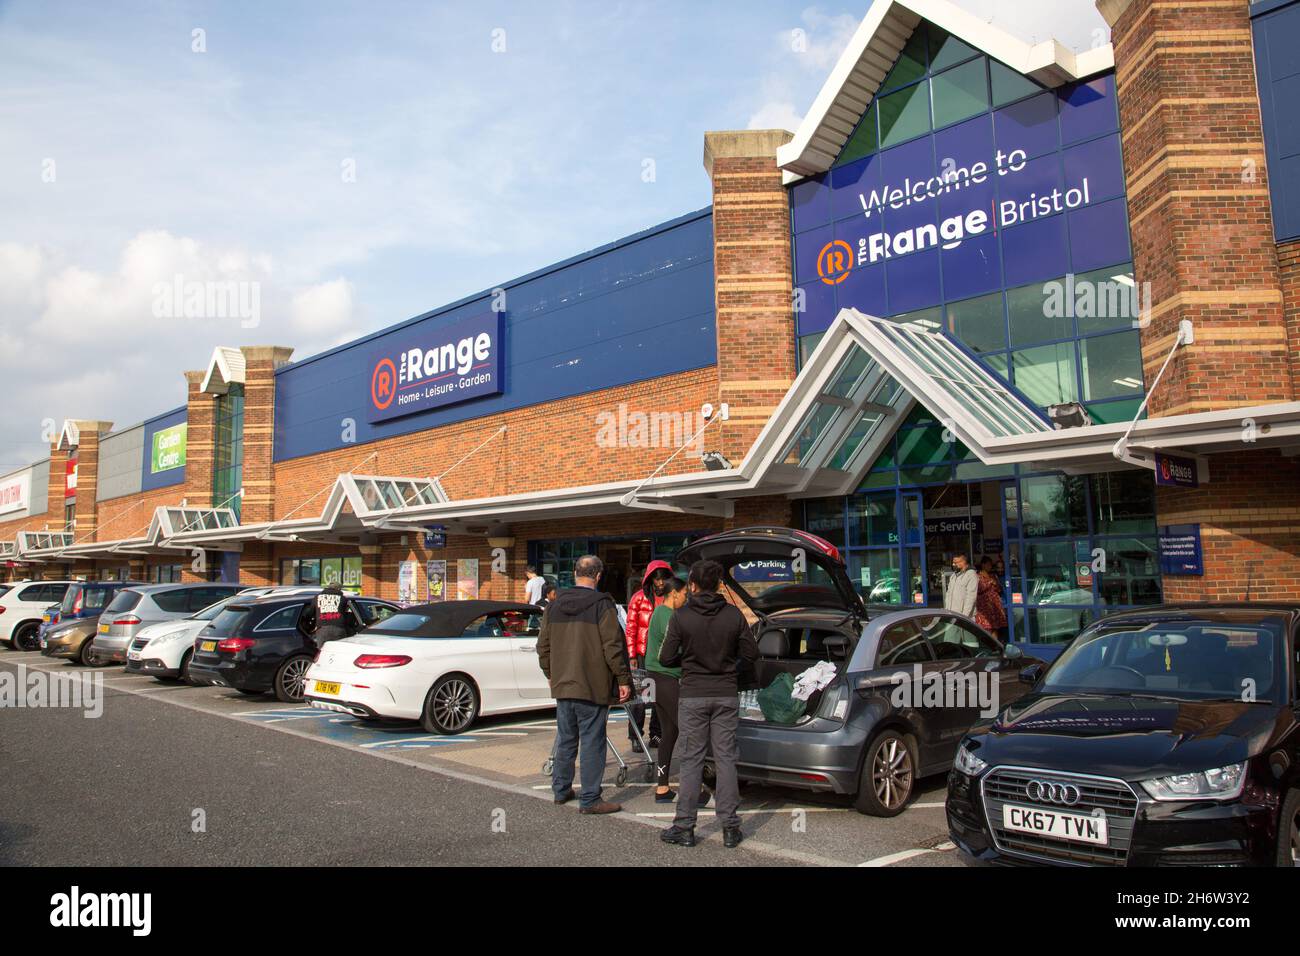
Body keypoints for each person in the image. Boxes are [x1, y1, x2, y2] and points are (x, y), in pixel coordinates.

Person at [657, 559, 758, 849]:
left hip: (693, 694)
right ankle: (730, 828)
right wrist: (730, 666)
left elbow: (665, 658)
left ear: (692, 585)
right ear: (718, 585)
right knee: (726, 758)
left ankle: (684, 827)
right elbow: (751, 652)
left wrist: (688, 661)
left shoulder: (682, 616)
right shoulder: (733, 615)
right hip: (725, 692)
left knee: (691, 760)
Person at [537, 554, 632, 815]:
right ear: (598, 576)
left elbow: (542, 646)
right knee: (592, 740)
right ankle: (590, 799)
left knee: (566, 738)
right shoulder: (603, 604)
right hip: (592, 684)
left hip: (564, 684)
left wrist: (550, 672)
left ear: (574, 573)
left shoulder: (554, 605)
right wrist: (624, 679)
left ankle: (561, 789)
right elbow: (612, 647)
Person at [643, 577, 689, 803]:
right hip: (666, 678)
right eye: (684, 595)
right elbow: (674, 648)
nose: (685, 599)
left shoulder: (659, 613)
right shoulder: (667, 615)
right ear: (674, 594)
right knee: (689, 730)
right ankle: (696, 790)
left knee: (670, 733)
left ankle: (662, 788)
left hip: (656, 678)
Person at [624, 559, 673, 751]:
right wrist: (632, 655)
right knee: (641, 699)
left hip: (665, 655)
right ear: (650, 579)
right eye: (657, 579)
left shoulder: (672, 598)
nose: (660, 583)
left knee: (660, 698)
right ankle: (635, 735)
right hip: (643, 655)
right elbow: (631, 628)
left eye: (663, 579)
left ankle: (656, 735)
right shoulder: (638, 598)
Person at [975, 556, 1007, 639]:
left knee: (995, 627)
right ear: (983, 565)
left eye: (990, 565)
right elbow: (978, 590)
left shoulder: (993, 576)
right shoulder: (977, 576)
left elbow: (999, 589)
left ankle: (996, 645)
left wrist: (995, 584)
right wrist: (989, 583)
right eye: (988, 565)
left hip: (994, 606)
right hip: (984, 606)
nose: (989, 567)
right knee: (987, 627)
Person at [310, 585, 351, 649]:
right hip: (338, 628)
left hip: (322, 628)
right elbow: (347, 613)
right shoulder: (343, 598)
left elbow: (310, 612)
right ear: (338, 589)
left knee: (322, 651)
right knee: (338, 650)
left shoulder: (317, 597)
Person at [943, 553, 978, 618]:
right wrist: (947, 610)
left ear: (963, 562)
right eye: (953, 563)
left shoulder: (971, 575)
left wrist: (964, 617)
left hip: (964, 617)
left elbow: (971, 597)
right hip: (952, 614)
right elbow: (948, 594)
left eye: (955, 563)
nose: (953, 565)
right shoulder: (954, 575)